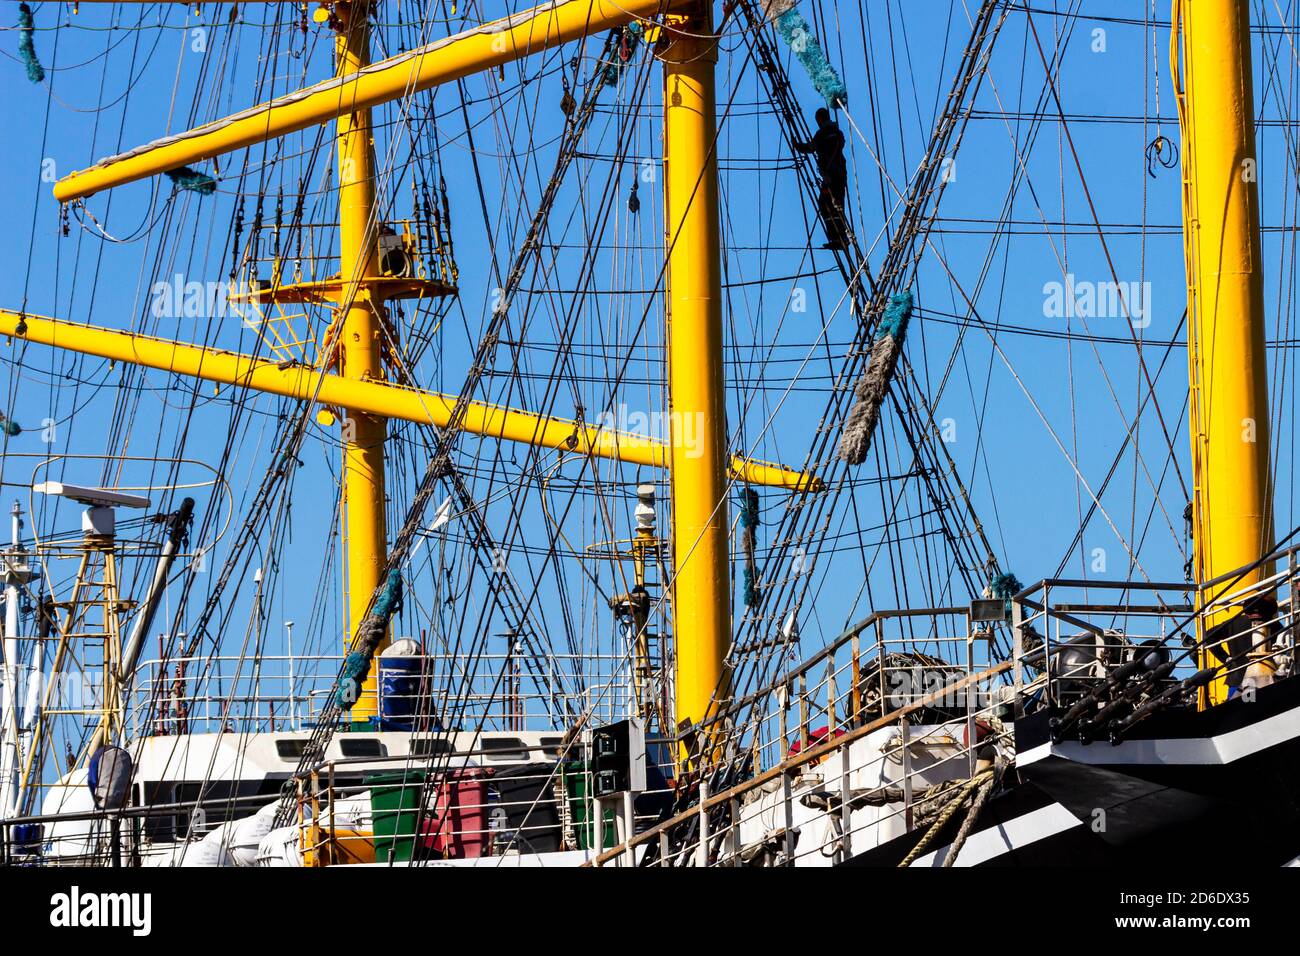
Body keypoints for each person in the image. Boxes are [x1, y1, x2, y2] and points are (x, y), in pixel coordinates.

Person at [794, 107, 850, 250]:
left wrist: (797, 145)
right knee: (838, 206)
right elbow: (840, 144)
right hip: (840, 175)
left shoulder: (822, 134)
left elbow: (810, 148)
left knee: (825, 205)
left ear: (819, 119)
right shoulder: (837, 132)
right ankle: (841, 237)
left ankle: (837, 238)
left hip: (830, 177)